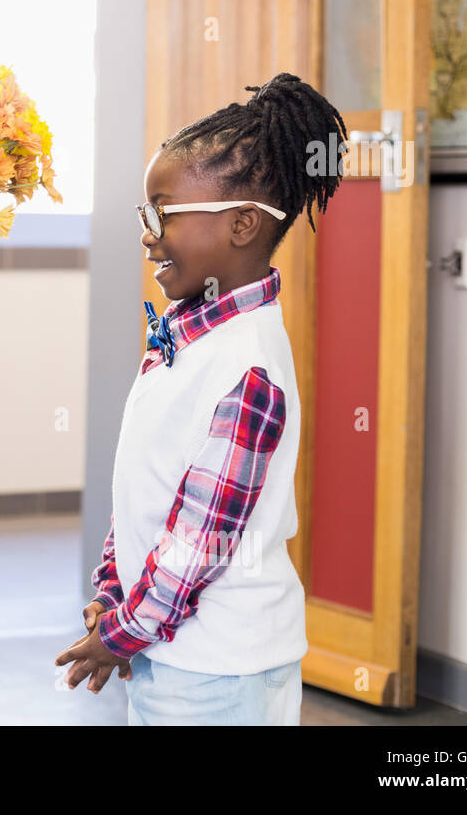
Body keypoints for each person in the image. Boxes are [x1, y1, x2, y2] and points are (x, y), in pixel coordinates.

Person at [55, 72, 347, 724]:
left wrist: (121, 634)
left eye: (164, 214)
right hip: (172, 649)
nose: (148, 233)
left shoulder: (247, 368)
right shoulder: (182, 337)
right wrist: (114, 591)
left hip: (219, 671)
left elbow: (203, 541)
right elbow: (143, 485)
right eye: (145, 214)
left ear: (242, 225)